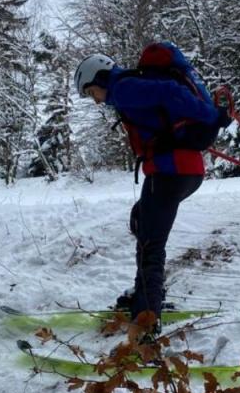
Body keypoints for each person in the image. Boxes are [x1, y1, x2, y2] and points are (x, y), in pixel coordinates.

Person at [74, 51, 231, 338]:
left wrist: (212, 116)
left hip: (169, 171)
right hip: (183, 171)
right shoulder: (127, 88)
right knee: (140, 220)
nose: (96, 99)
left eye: (92, 91)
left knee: (151, 246)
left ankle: (145, 322)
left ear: (99, 77)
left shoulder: (123, 87)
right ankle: (148, 296)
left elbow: (169, 91)